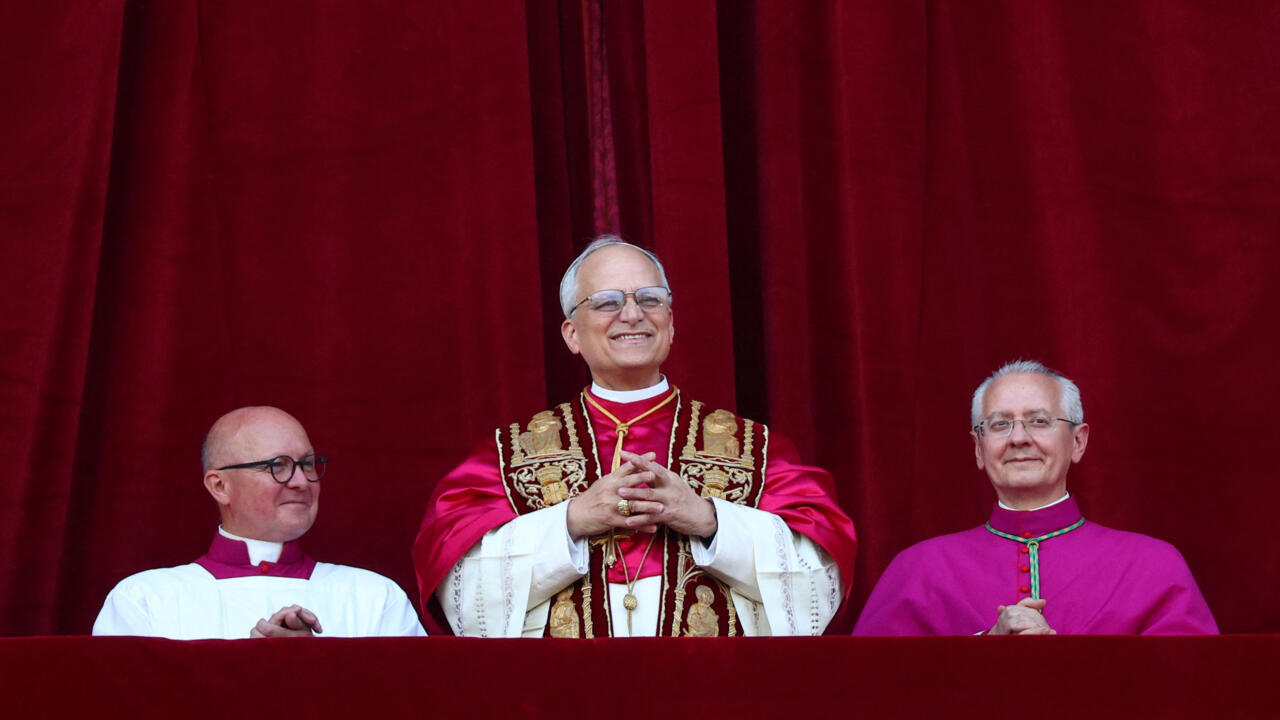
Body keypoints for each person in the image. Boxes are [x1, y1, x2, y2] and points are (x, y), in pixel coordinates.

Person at [414, 236, 857, 637]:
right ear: (572, 334)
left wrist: (709, 520)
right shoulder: (509, 455)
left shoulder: (753, 449)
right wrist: (571, 520)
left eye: (649, 299)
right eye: (606, 302)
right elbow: (460, 595)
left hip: (712, 686)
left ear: (670, 322)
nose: (632, 314)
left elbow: (820, 584)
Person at [853, 360, 1217, 636]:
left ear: (1078, 441)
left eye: (1039, 421)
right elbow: (867, 691)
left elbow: (1193, 689)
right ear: (979, 448)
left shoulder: (1152, 567)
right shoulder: (918, 570)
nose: (1018, 438)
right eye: (999, 424)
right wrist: (981, 649)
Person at [94, 406, 426, 639]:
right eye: (277, 466)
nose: (301, 482)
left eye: (307, 464)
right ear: (220, 486)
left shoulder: (374, 597)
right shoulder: (144, 601)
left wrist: (319, 664)